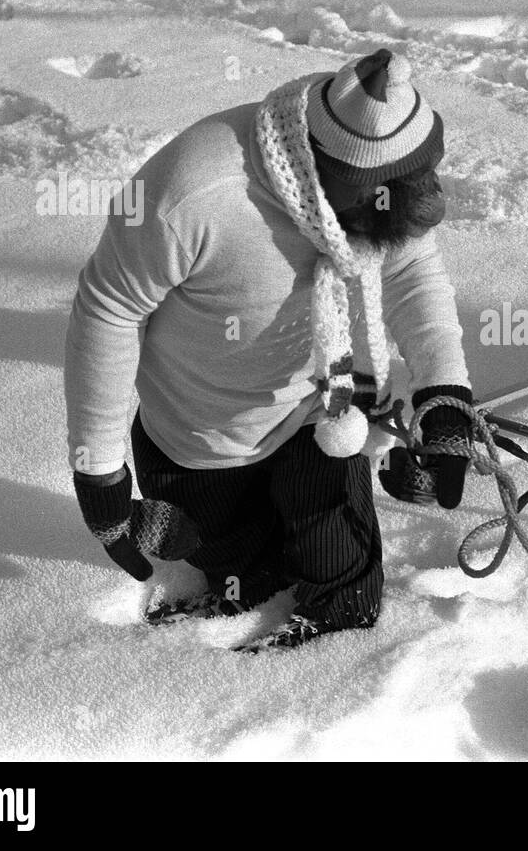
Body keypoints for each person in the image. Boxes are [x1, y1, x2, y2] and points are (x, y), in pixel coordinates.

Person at [64, 48, 472, 651]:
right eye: (380, 201)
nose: (402, 209)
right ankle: (237, 592)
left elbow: (410, 270)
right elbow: (108, 311)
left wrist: (445, 395)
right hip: (200, 436)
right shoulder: (193, 192)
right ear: (328, 171)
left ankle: (341, 664)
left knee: (342, 574)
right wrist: (99, 477)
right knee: (240, 578)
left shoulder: (377, 198)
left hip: (322, 414)